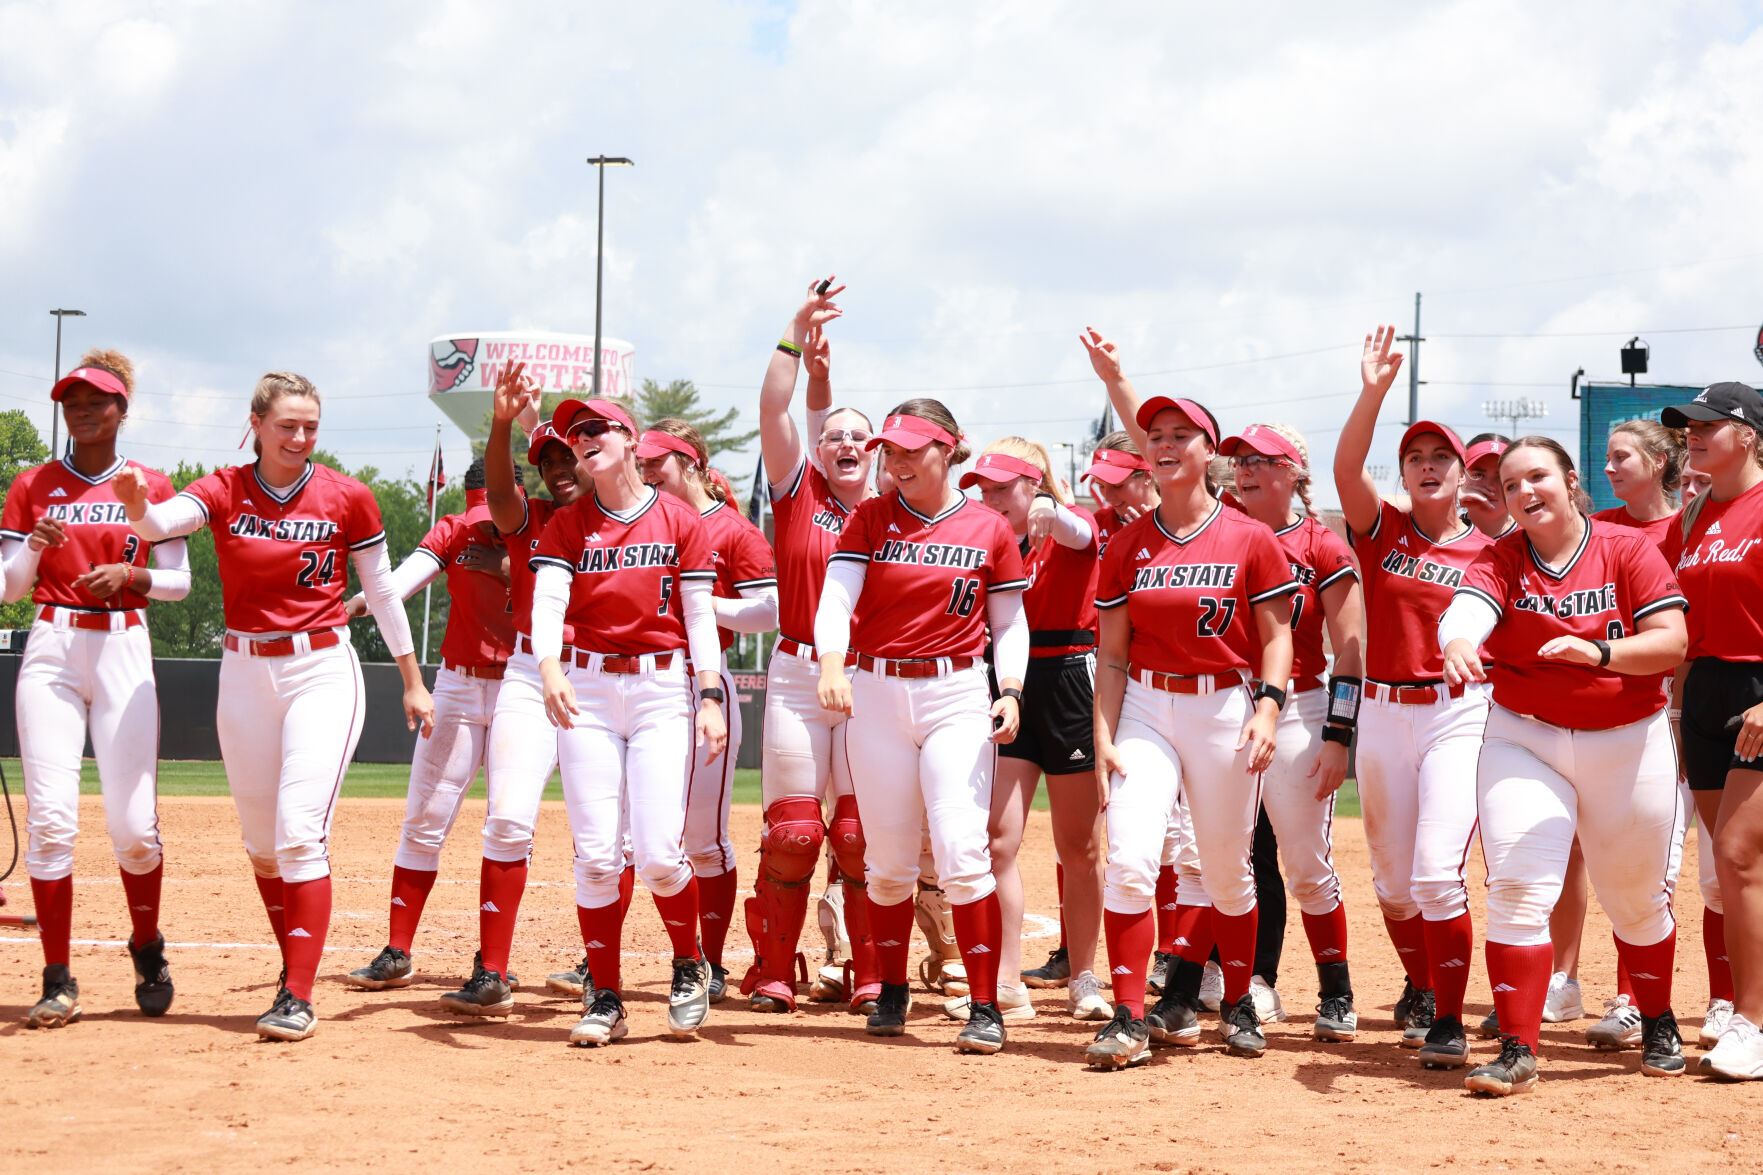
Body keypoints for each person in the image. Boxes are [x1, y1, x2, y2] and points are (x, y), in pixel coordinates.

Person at [119, 371, 434, 1042]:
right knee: (263, 847)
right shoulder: (225, 487)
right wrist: (137, 507)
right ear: (256, 423)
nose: (299, 436)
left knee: (298, 831)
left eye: (310, 425)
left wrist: (411, 677)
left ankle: (297, 993)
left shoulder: (347, 496)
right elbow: (162, 520)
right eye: (287, 424)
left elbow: (380, 592)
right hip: (243, 671)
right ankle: (294, 968)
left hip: (320, 666)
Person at [1439, 437, 1689, 1095]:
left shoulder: (1624, 548)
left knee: (1634, 898)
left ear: (1569, 480)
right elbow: (1466, 611)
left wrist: (1599, 654)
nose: (1523, 491)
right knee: (1518, 885)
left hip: (1626, 737)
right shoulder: (1501, 557)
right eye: (1509, 482)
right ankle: (1518, 1046)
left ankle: (1657, 1016)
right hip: (1525, 737)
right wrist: (1458, 639)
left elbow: (1671, 642)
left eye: (1536, 476)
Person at [1078, 328, 1297, 1068]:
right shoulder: (1126, 543)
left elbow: (1276, 636)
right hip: (1145, 703)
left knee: (1227, 869)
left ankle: (1236, 998)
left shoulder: (1248, 537)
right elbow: (1110, 653)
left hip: (1223, 708)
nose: (1165, 444)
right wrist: (1103, 733)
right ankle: (1130, 1015)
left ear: (1211, 453)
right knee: (1133, 862)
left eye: (1181, 435)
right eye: (1155, 436)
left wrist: (1268, 706)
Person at [814, 397, 1029, 1055]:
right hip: (876, 691)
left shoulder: (987, 526)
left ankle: (985, 1004)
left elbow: (1008, 622)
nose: (898, 461)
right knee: (887, 863)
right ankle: (890, 989)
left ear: (948, 449)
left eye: (913, 449)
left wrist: (1011, 688)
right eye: (893, 450)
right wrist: (830, 659)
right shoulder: (871, 518)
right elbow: (836, 597)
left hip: (957, 690)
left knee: (963, 851)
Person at [531, 395, 728, 1047]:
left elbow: (699, 614)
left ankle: (686, 961)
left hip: (659, 687)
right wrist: (551, 667)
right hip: (586, 685)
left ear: (630, 437)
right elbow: (549, 597)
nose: (581, 439)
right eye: (573, 433)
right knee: (593, 855)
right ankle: (607, 996)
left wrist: (708, 694)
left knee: (656, 853)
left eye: (595, 428)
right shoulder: (569, 524)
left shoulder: (676, 518)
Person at [3, 351, 190, 1027]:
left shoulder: (150, 483)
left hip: (122, 643)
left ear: (122, 409)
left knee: (133, 828)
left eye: (96, 400)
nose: (82, 409)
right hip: (51, 641)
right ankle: (57, 977)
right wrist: (29, 543)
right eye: (72, 400)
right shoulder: (32, 483)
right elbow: (9, 587)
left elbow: (180, 581)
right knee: (52, 821)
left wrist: (132, 576)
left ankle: (146, 943)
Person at [1333, 326, 1494, 1066]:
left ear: (1463, 475)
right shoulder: (1383, 530)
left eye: (1440, 458)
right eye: (1413, 458)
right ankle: (1422, 983)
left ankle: (1449, 1019)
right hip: (1382, 713)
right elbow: (1342, 471)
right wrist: (1372, 391)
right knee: (1394, 881)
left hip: (1457, 714)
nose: (1426, 467)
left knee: (1435, 869)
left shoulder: (1492, 554)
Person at [440, 364, 612, 1015]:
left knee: (602, 837)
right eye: (546, 460)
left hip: (604, 679)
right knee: (507, 816)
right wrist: (504, 424)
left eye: (567, 454)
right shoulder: (530, 518)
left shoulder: (630, 520)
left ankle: (604, 970)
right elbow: (500, 495)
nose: (557, 468)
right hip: (528, 673)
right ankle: (492, 970)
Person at [746, 279, 884, 1015]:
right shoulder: (798, 491)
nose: (845, 443)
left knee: (859, 836)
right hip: (800, 675)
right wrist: (795, 334)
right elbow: (775, 406)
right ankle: (773, 966)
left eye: (858, 436)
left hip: (871, 683)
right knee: (797, 832)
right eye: (833, 435)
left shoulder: (893, 511)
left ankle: (870, 971)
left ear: (879, 452)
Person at [1215, 423, 1367, 1041]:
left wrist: (1339, 734)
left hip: (1302, 705)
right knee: (1226, 855)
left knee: (1304, 862)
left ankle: (1336, 991)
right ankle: (1249, 983)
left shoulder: (1322, 546)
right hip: (1224, 703)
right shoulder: (1218, 532)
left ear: (1296, 473)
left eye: (1264, 460)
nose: (1246, 470)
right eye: (1241, 460)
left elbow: (1351, 652)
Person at [340, 458, 514, 995]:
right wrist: (366, 599)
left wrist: (508, 566)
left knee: (510, 825)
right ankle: (399, 951)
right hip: (459, 685)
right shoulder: (454, 529)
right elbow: (399, 582)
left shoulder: (541, 527)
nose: (486, 520)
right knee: (424, 818)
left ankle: (496, 963)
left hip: (522, 686)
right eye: (481, 508)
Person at [951, 438, 1109, 1025]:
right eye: (982, 490)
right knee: (996, 840)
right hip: (1005, 684)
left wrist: (1053, 511)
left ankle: (1085, 974)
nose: (989, 499)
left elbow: (1080, 533)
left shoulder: (1068, 525)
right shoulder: (983, 537)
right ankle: (1006, 980)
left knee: (1081, 847)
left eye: (1001, 488)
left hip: (1069, 679)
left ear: (1033, 484)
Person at [638, 417, 778, 1001]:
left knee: (702, 840)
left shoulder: (733, 530)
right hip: (642, 686)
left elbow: (771, 609)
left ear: (691, 463)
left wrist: (701, 607)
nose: (645, 473)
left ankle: (712, 964)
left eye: (656, 464)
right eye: (641, 463)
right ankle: (596, 963)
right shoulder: (637, 524)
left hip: (705, 688)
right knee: (628, 838)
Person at [1020, 433, 1158, 992]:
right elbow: (1079, 526)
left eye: (1118, 478)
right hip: (1103, 674)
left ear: (1147, 475)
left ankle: (1174, 954)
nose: (1106, 490)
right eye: (1099, 479)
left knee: (1155, 833)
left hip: (1141, 681)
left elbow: (1072, 526)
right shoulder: (1097, 520)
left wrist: (1052, 507)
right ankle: (1073, 952)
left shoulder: (1163, 525)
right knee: (1080, 832)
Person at [1660, 382, 1763, 1080]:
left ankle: (1753, 1020)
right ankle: (1738, 1004)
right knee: (1728, 877)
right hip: (1701, 694)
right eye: (1686, 426)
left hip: (1758, 691)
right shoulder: (1693, 514)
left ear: (1748, 434)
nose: (1691, 434)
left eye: (1706, 423)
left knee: (1737, 854)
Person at [1461, 434, 1514, 538]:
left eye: (1500, 476)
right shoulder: (1439, 534)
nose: (1490, 486)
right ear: (1461, 476)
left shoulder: (1534, 540)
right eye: (1478, 475)